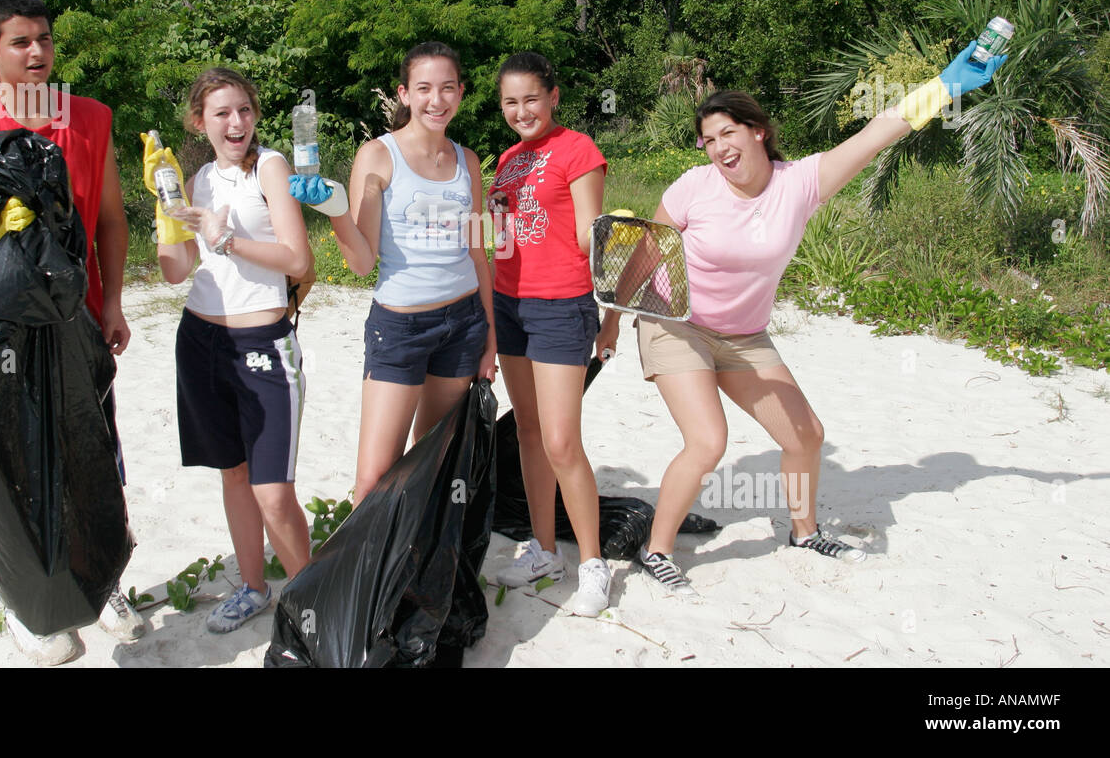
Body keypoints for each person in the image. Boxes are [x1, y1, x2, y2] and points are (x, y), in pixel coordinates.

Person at [597, 42, 1006, 592]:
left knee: (806, 435)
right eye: (709, 139)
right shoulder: (693, 186)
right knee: (709, 440)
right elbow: (648, 253)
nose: (718, 148)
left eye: (727, 133)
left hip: (742, 335)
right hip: (675, 323)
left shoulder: (802, 182)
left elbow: (877, 133)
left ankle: (804, 532)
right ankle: (658, 549)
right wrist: (612, 320)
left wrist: (947, 86)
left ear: (758, 131)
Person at [0, 0, 139, 664]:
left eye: (44, 38)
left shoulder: (90, 118)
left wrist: (112, 303)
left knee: (93, 455)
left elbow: (111, 220)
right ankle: (23, 605)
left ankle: (103, 581)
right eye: (19, 41)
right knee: (9, 469)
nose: (37, 51)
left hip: (76, 321)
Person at [146, 67, 314, 634]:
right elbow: (176, 272)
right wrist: (167, 216)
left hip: (262, 343)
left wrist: (224, 238)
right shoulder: (194, 180)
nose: (236, 122)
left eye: (244, 109)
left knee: (274, 492)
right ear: (200, 122)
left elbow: (297, 258)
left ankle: (311, 606)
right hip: (200, 340)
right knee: (234, 474)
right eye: (221, 113)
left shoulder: (270, 168)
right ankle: (253, 588)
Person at [292, 42, 497, 504]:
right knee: (374, 479)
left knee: (432, 459)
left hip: (464, 323)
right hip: (401, 328)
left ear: (461, 92)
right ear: (404, 94)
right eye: (424, 88)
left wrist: (490, 335)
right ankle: (368, 554)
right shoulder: (377, 155)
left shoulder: (467, 161)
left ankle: (418, 550)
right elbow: (362, 263)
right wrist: (336, 211)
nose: (436, 100)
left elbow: (478, 252)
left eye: (447, 88)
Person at [485, 52, 613, 617]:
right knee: (529, 431)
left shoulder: (578, 150)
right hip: (508, 303)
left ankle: (593, 563)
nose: (521, 111)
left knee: (562, 442)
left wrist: (613, 240)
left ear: (553, 97)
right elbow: (503, 239)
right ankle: (543, 551)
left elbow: (588, 234)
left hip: (561, 306)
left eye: (531, 99)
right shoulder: (508, 160)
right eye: (510, 102)